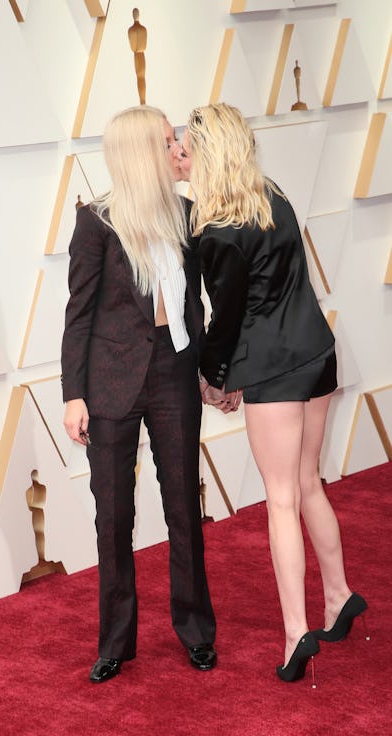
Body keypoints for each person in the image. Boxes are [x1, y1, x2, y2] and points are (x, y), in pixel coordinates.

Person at [178, 102, 367, 683]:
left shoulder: (216, 231)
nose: (178, 154)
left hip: (274, 371)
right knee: (309, 483)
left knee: (281, 497)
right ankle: (337, 597)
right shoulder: (275, 197)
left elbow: (227, 319)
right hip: (316, 353)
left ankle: (295, 634)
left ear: (210, 156)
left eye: (186, 147)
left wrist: (215, 377)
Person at [61, 105, 216, 684]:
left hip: (174, 370)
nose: (177, 148)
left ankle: (196, 631)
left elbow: (193, 303)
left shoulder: (185, 214)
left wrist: (207, 367)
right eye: (167, 140)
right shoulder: (96, 222)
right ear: (137, 152)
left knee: (183, 507)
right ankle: (114, 643)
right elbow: (77, 314)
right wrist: (74, 394)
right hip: (110, 382)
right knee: (113, 517)